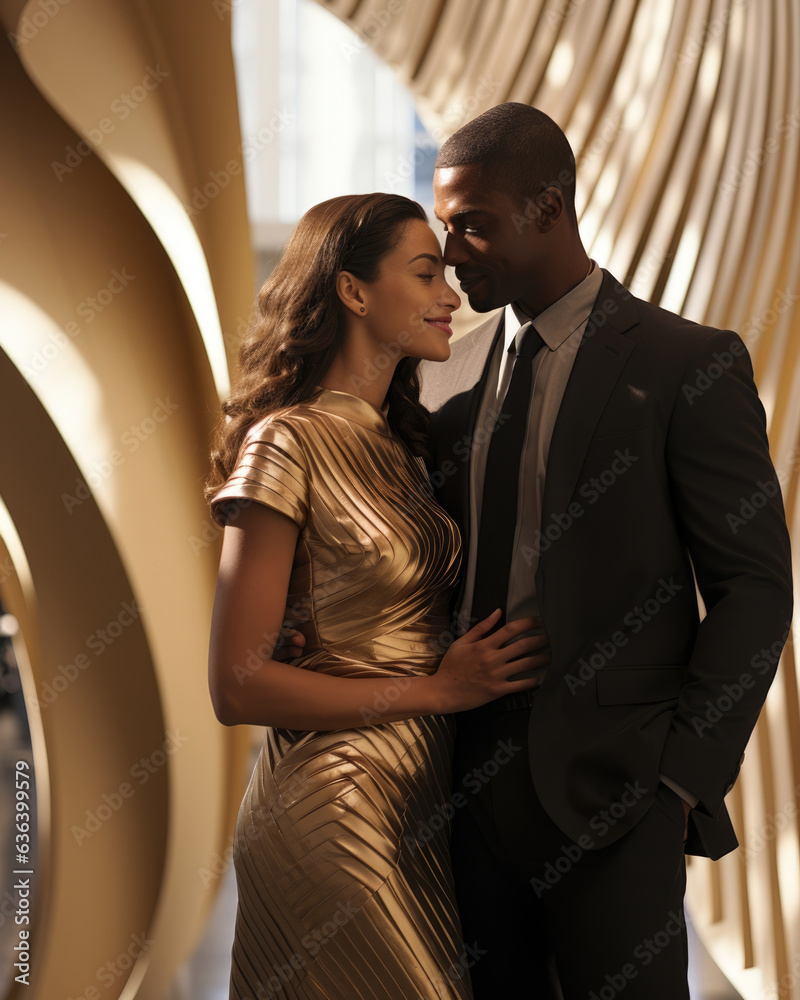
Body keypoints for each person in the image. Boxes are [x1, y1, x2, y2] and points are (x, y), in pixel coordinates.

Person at [414, 102, 793, 999]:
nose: (453, 250)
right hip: (459, 790)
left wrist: (682, 783)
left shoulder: (685, 364)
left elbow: (754, 588)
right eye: (443, 226)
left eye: (473, 224)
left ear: (548, 208)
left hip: (621, 797)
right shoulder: (445, 370)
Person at [205, 192, 550, 1000]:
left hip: (414, 809)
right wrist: (440, 689)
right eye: (426, 272)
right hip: (334, 807)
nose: (451, 296)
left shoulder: (399, 444)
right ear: (353, 291)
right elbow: (236, 684)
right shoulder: (287, 440)